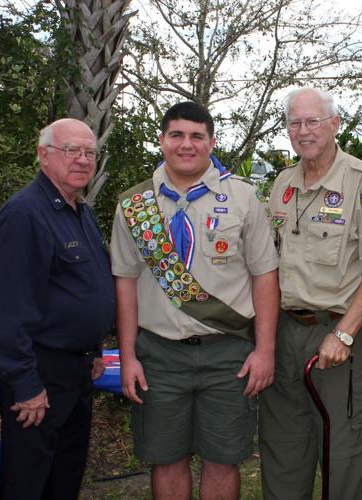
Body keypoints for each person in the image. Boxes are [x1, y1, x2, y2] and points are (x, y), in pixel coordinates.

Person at [110, 101, 279, 499]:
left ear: (211, 142)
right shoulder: (134, 206)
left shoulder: (243, 198)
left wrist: (265, 351)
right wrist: (129, 355)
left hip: (228, 355)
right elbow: (125, 284)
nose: (187, 145)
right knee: (167, 459)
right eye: (177, 135)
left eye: (196, 136)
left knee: (222, 459)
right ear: (162, 140)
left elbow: (265, 277)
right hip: (158, 354)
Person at [258, 88, 362, 499]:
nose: (303, 131)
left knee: (343, 456)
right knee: (282, 451)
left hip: (342, 337)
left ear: (335, 125)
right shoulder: (282, 183)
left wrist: (344, 333)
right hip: (286, 333)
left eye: (313, 122)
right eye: (295, 123)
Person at [0, 118, 117, 499]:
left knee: (64, 477)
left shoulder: (81, 212)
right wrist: (26, 386)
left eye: (89, 153)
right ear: (43, 156)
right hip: (40, 373)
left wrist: (93, 350)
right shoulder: (26, 214)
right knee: (30, 481)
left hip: (76, 371)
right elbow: (11, 309)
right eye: (71, 151)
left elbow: (81, 289)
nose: (82, 160)